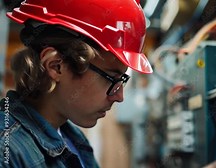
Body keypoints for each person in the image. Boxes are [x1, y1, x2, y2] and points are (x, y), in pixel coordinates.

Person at [0, 0, 152, 167]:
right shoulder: (7, 151)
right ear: (56, 66)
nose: (119, 96)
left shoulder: (73, 139)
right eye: (111, 78)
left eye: (122, 79)